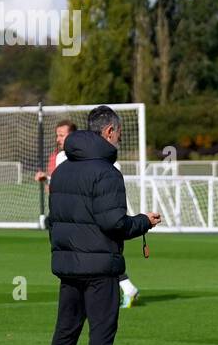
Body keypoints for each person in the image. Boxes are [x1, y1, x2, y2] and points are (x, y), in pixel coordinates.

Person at [47, 105, 160, 345]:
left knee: (65, 330)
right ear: (109, 131)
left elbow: (53, 220)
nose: (119, 139)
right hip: (99, 266)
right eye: (118, 133)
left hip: (68, 264)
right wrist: (144, 222)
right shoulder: (107, 173)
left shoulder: (62, 170)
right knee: (101, 331)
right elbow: (114, 223)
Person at [42, 117, 144, 309]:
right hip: (79, 216)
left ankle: (119, 292)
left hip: (89, 214)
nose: (58, 139)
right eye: (57, 135)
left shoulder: (69, 158)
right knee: (98, 254)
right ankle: (126, 289)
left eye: (62, 135)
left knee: (95, 255)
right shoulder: (65, 157)